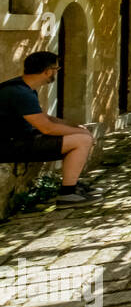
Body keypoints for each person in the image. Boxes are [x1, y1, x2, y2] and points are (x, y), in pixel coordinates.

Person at [0, 51, 103, 207]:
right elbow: (47, 128)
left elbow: (45, 117)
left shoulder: (23, 88)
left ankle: (72, 185)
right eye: (57, 68)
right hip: (7, 146)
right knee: (82, 140)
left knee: (81, 136)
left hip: (19, 140)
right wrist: (81, 133)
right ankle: (68, 194)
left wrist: (74, 126)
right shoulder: (20, 93)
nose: (56, 72)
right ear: (47, 71)